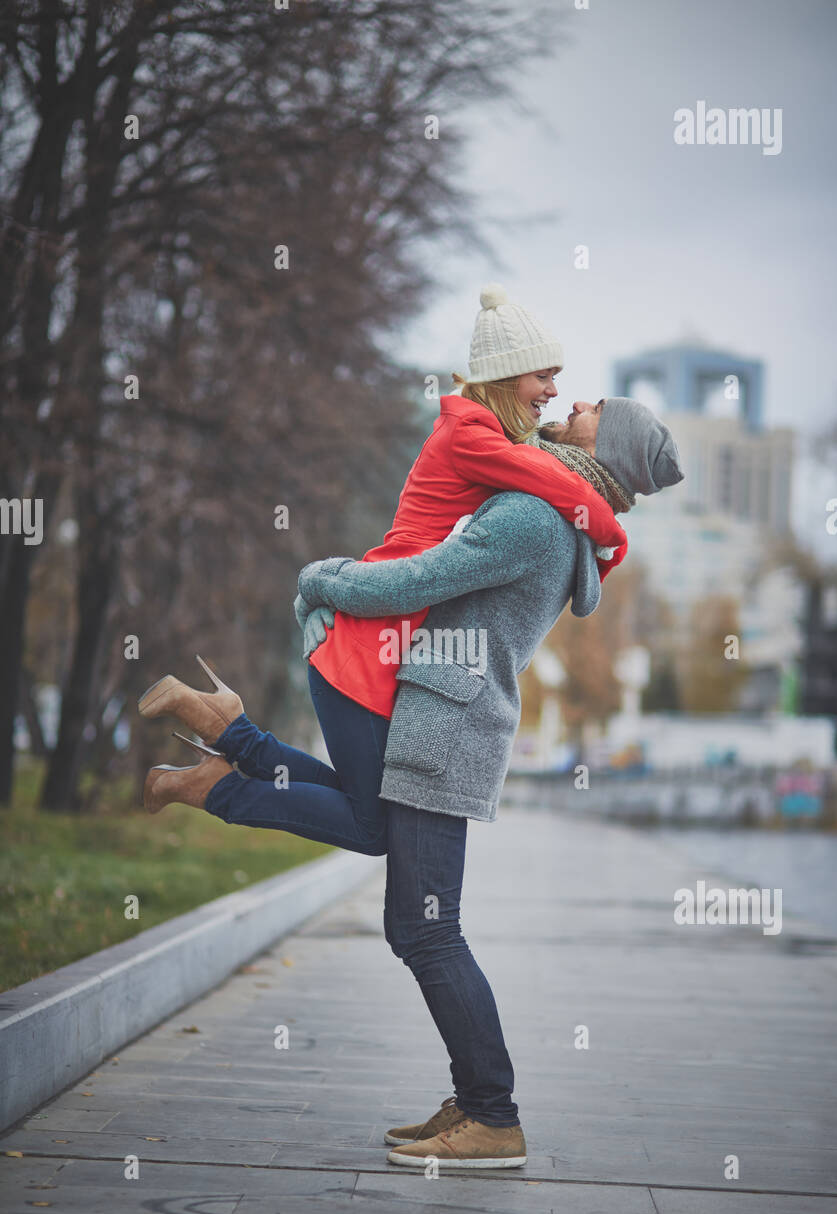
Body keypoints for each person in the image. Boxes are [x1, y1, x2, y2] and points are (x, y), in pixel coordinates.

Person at [139, 391, 683, 1169]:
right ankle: (226, 754)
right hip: (445, 720)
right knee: (402, 889)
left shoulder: (535, 520)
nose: (579, 399)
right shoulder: (553, 517)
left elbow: (416, 580)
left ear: (609, 446)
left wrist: (321, 577)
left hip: (444, 728)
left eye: (599, 407)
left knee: (426, 929)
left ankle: (494, 1117)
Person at [138, 284, 626, 854]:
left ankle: (227, 729)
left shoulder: (482, 435)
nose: (554, 390)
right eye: (542, 374)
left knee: (361, 806)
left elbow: (547, 477)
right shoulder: (469, 433)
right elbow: (555, 483)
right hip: (371, 638)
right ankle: (213, 786)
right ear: (505, 375)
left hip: (378, 629)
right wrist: (610, 535)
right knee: (373, 829)